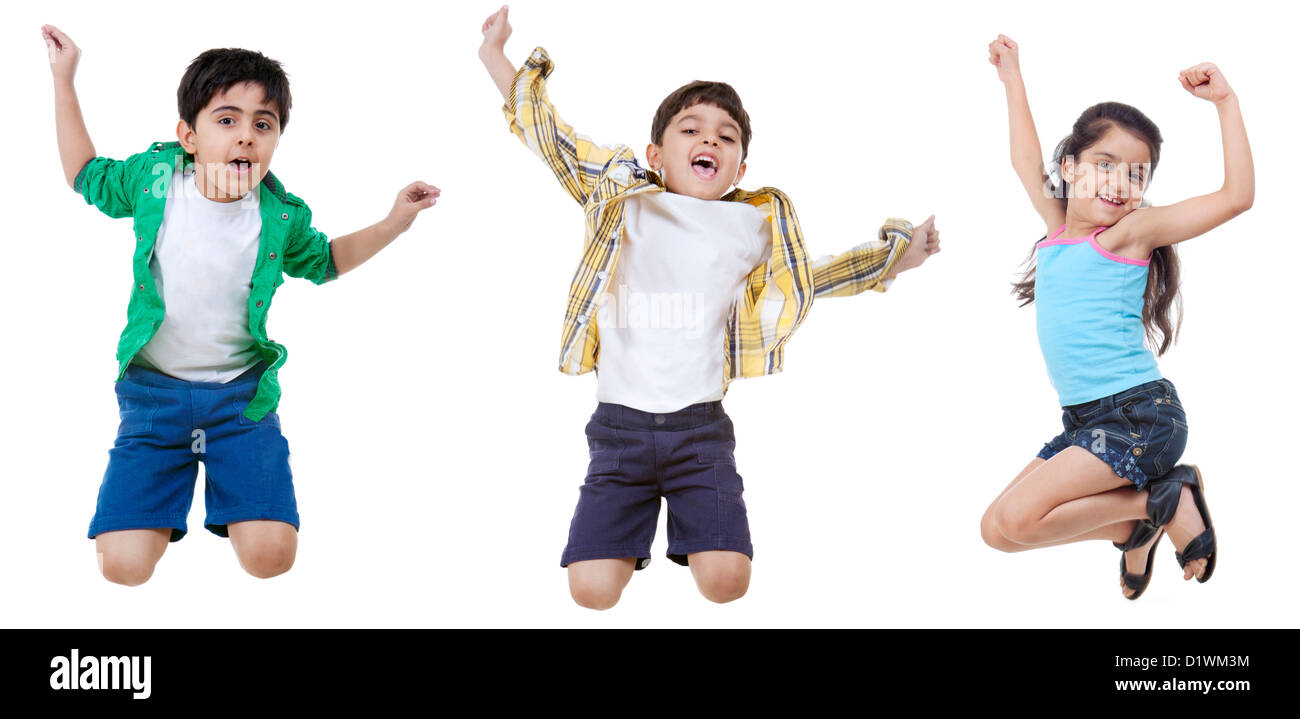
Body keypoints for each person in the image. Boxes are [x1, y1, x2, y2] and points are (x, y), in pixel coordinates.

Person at [478, 6, 940, 609]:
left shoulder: (749, 224)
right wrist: (496, 57)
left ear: (739, 168)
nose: (709, 141)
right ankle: (634, 527)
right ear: (656, 153)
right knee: (592, 594)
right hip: (619, 431)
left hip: (700, 433)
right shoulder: (620, 198)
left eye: (725, 137)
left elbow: (806, 281)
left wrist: (892, 260)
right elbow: (553, 139)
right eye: (691, 130)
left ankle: (694, 528)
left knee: (726, 584)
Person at [43, 24, 439, 585]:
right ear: (189, 135)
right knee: (122, 568)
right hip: (154, 398)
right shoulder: (153, 180)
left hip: (239, 403)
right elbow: (84, 173)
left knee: (271, 558)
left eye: (263, 124)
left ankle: (235, 485)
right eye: (226, 120)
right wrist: (65, 79)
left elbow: (326, 261)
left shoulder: (279, 216)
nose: (246, 136)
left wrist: (394, 223)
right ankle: (172, 479)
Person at [979, 34, 1253, 599]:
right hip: (1086, 421)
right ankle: (1148, 518)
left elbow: (1236, 198)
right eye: (1105, 164)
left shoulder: (1129, 235)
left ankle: (1167, 502)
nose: (1120, 183)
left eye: (1136, 174)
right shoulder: (1056, 228)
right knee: (998, 531)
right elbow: (1024, 159)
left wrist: (1226, 103)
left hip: (1139, 416)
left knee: (1021, 517)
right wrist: (1012, 78)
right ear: (1070, 167)